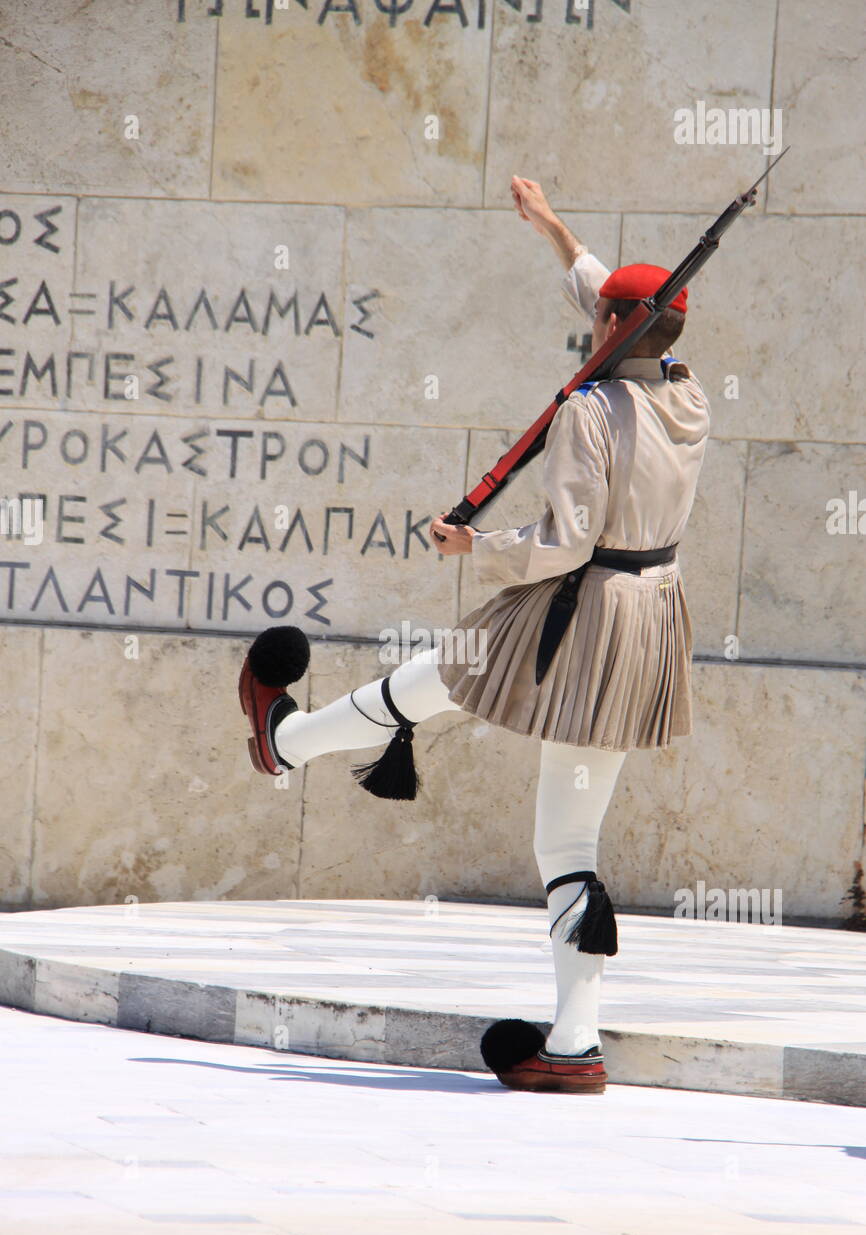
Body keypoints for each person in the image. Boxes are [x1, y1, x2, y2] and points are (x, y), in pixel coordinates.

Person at [238, 174, 710, 1095]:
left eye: (601, 323)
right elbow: (621, 304)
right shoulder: (689, 396)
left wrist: (473, 545)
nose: (591, 329)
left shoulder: (587, 413)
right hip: (647, 617)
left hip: (574, 610)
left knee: (457, 700)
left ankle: (285, 742)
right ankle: (572, 1047)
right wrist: (556, 231)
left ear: (614, 332)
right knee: (541, 802)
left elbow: (561, 541)